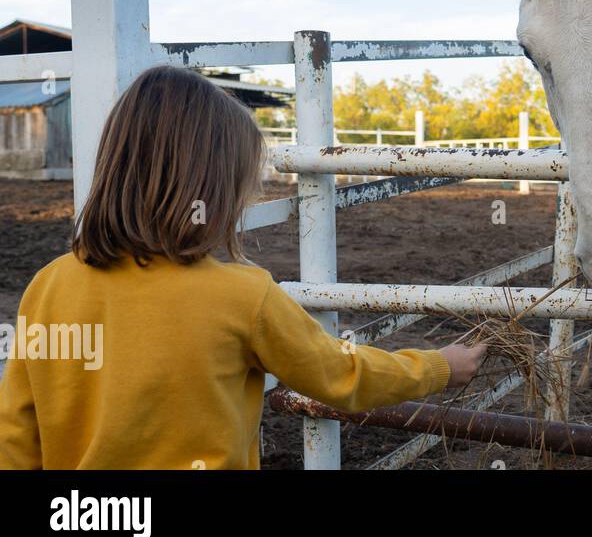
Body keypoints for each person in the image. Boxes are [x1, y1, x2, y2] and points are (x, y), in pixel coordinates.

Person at [0, 65, 485, 469]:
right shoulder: (242, 296)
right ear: (211, 188)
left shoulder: (50, 284)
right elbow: (341, 374)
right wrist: (440, 366)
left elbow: (16, 435)